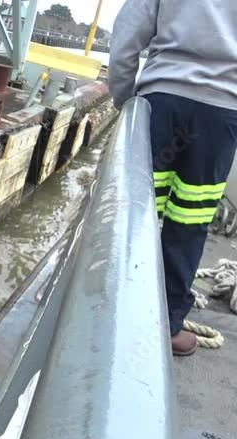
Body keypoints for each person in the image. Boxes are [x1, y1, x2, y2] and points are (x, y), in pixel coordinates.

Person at [109, 0, 237, 356]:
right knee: (189, 220)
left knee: (135, 211)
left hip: (160, 104)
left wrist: (126, 101)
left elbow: (127, 36)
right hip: (222, 112)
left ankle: (115, 307)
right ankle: (167, 323)